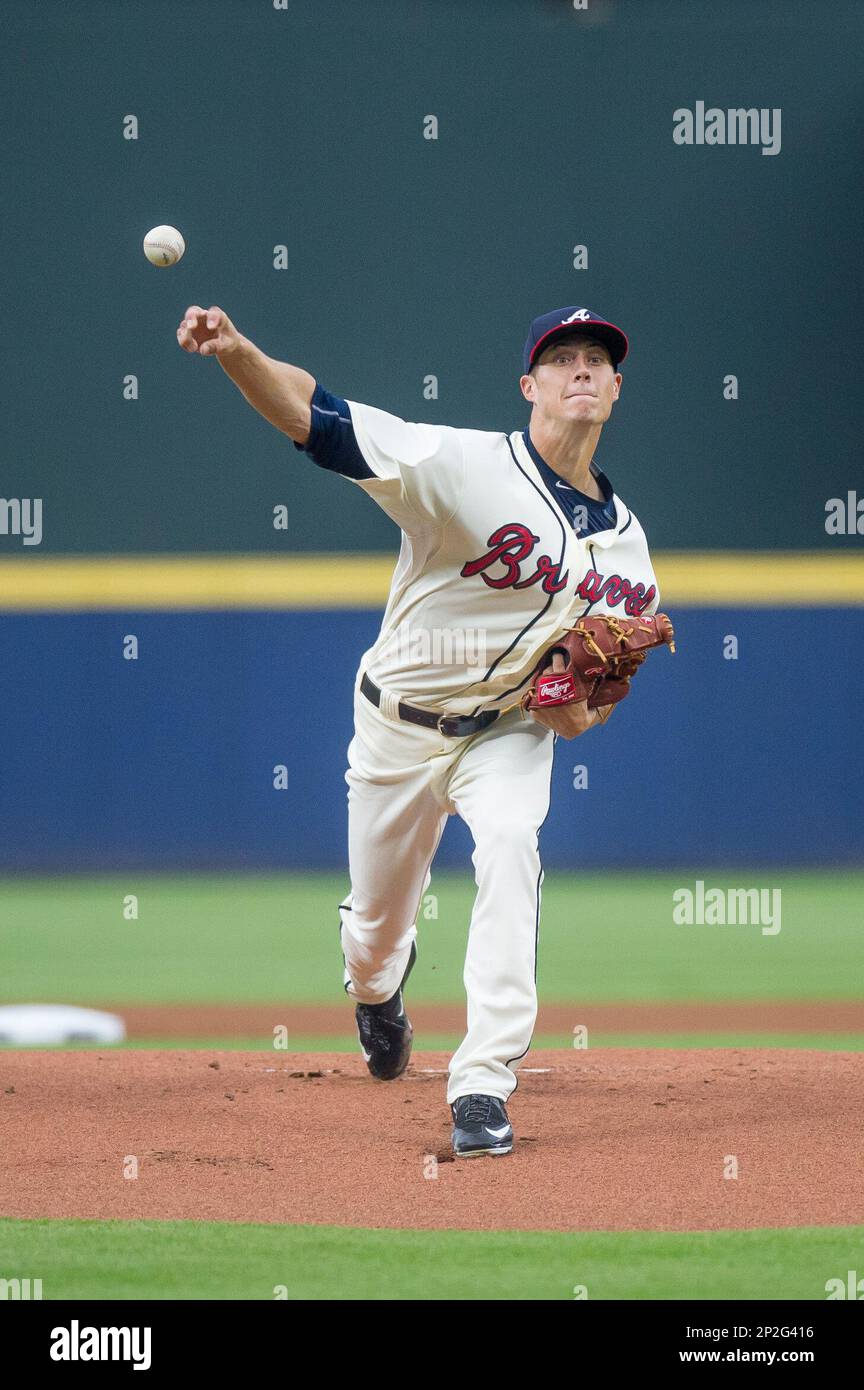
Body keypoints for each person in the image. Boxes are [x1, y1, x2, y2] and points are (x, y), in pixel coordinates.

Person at [177, 304, 659, 1157]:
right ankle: (377, 993)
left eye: (597, 360)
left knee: (512, 843)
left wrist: (571, 710)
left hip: (504, 734)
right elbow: (315, 416)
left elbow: (592, 708)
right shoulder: (460, 463)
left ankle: (482, 1085)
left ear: (616, 388)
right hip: (396, 728)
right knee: (371, 934)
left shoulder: (630, 553)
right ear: (529, 387)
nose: (581, 369)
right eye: (561, 359)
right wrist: (237, 350)